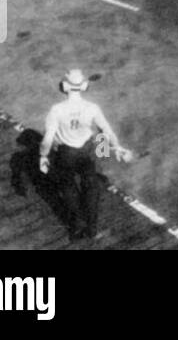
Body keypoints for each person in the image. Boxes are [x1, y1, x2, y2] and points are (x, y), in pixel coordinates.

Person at [39, 68, 130, 240]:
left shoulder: (56, 110)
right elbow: (105, 130)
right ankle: (92, 229)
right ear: (84, 86)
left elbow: (47, 139)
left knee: (68, 187)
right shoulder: (92, 108)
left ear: (65, 87)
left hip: (65, 153)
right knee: (90, 186)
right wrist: (117, 147)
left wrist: (43, 157)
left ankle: (77, 225)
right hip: (86, 151)